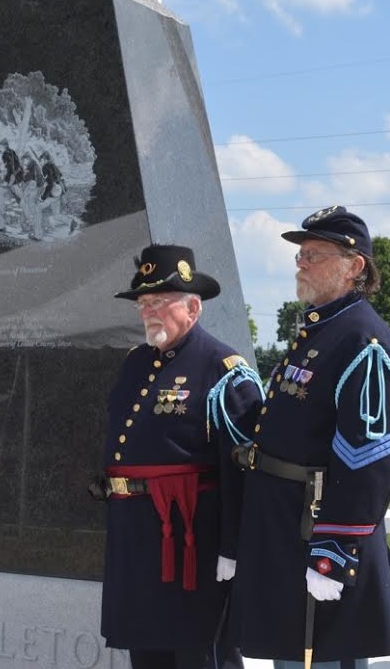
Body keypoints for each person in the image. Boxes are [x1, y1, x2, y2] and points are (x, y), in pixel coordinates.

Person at [230, 206, 390, 668]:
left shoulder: (362, 339)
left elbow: (368, 456)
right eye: (301, 254)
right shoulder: (323, 329)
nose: (301, 263)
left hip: (320, 534)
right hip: (287, 530)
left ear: (354, 267)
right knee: (290, 655)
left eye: (313, 254)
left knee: (324, 659)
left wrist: (335, 549)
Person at [96, 244, 262, 669]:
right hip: (136, 539)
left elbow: (243, 470)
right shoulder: (135, 363)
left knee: (199, 655)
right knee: (146, 653)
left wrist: (233, 548)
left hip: (193, 544)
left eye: (159, 301)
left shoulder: (223, 369)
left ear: (193, 307)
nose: (148, 311)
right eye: (143, 302)